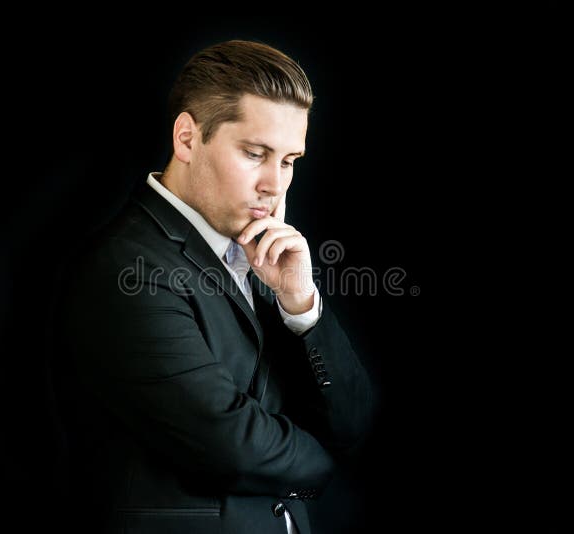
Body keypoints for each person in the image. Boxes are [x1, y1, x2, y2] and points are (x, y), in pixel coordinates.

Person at [55, 39, 374, 534]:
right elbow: (234, 446)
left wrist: (300, 305)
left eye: (288, 160)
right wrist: (329, 463)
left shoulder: (262, 252)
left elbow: (353, 421)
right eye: (255, 153)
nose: (275, 184)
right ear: (186, 138)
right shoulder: (125, 270)